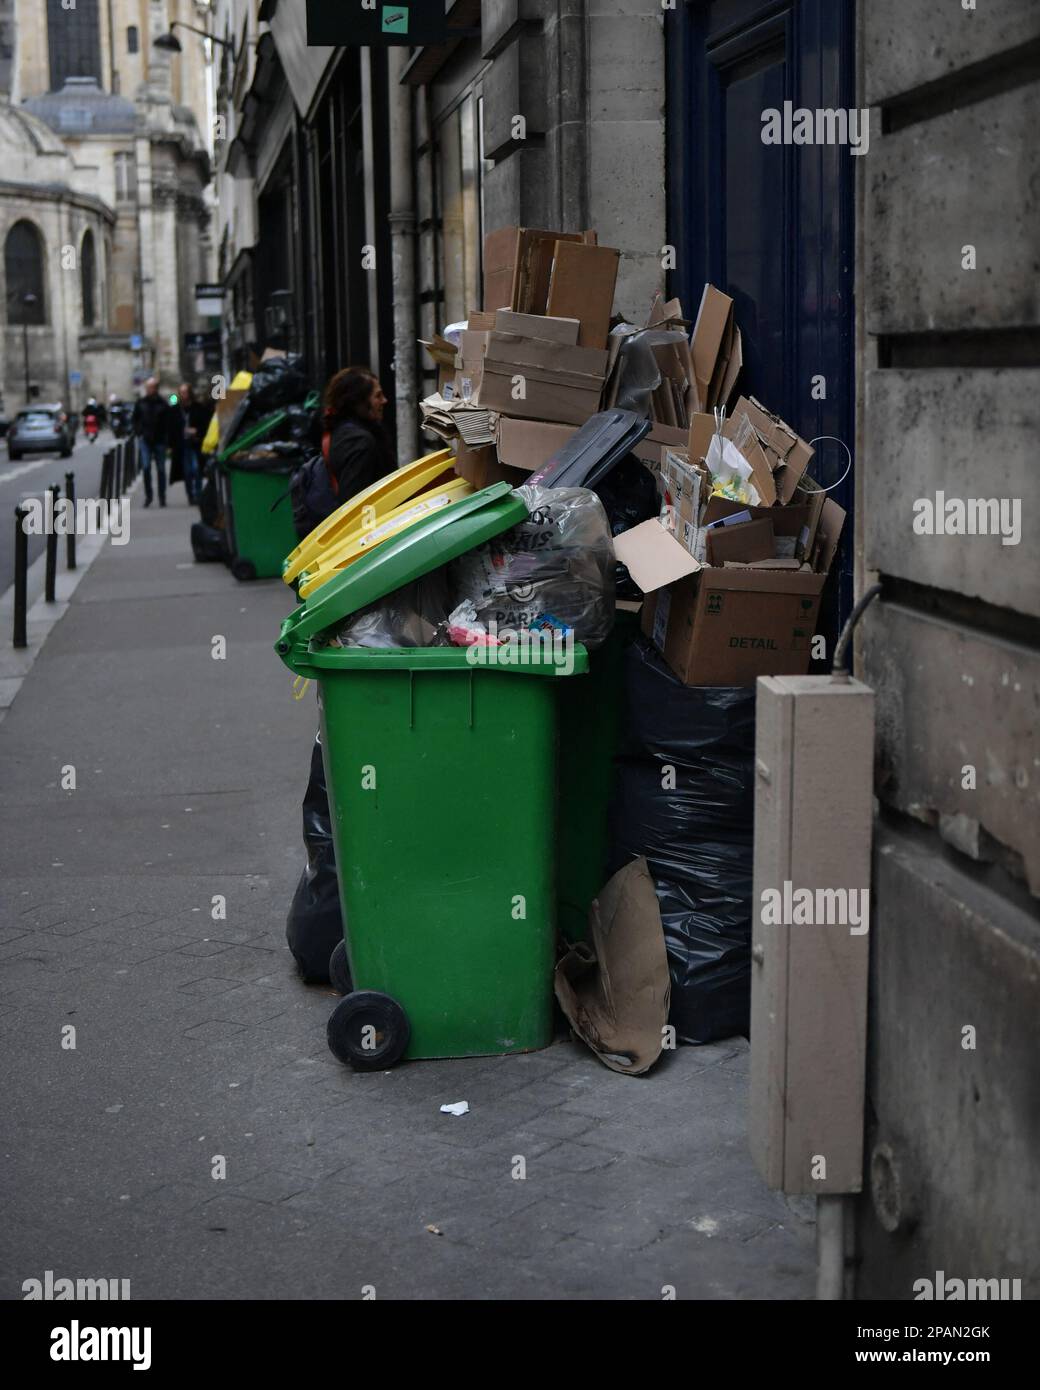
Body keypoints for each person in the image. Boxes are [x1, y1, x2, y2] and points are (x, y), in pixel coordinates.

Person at [318, 366, 394, 508]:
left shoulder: (340, 431)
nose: (384, 400)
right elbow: (354, 504)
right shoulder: (360, 441)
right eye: (377, 396)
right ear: (359, 402)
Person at [131, 378, 172, 508]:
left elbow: (167, 423)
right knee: (146, 467)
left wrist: (167, 440)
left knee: (161, 469)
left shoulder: (163, 403)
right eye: (148, 387)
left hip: (159, 440)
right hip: (146, 440)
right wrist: (139, 431)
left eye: (151, 387)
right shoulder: (141, 403)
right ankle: (149, 496)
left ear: (156, 388)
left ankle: (162, 496)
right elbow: (135, 418)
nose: (149, 389)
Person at [171, 382, 213, 506]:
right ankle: (190, 495)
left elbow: (205, 424)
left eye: (185, 392)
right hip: (183, 444)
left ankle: (198, 494)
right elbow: (172, 427)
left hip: (196, 443)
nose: (184, 395)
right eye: (181, 392)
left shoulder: (198, 408)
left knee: (197, 469)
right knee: (187, 472)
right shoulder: (176, 409)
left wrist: (196, 431)